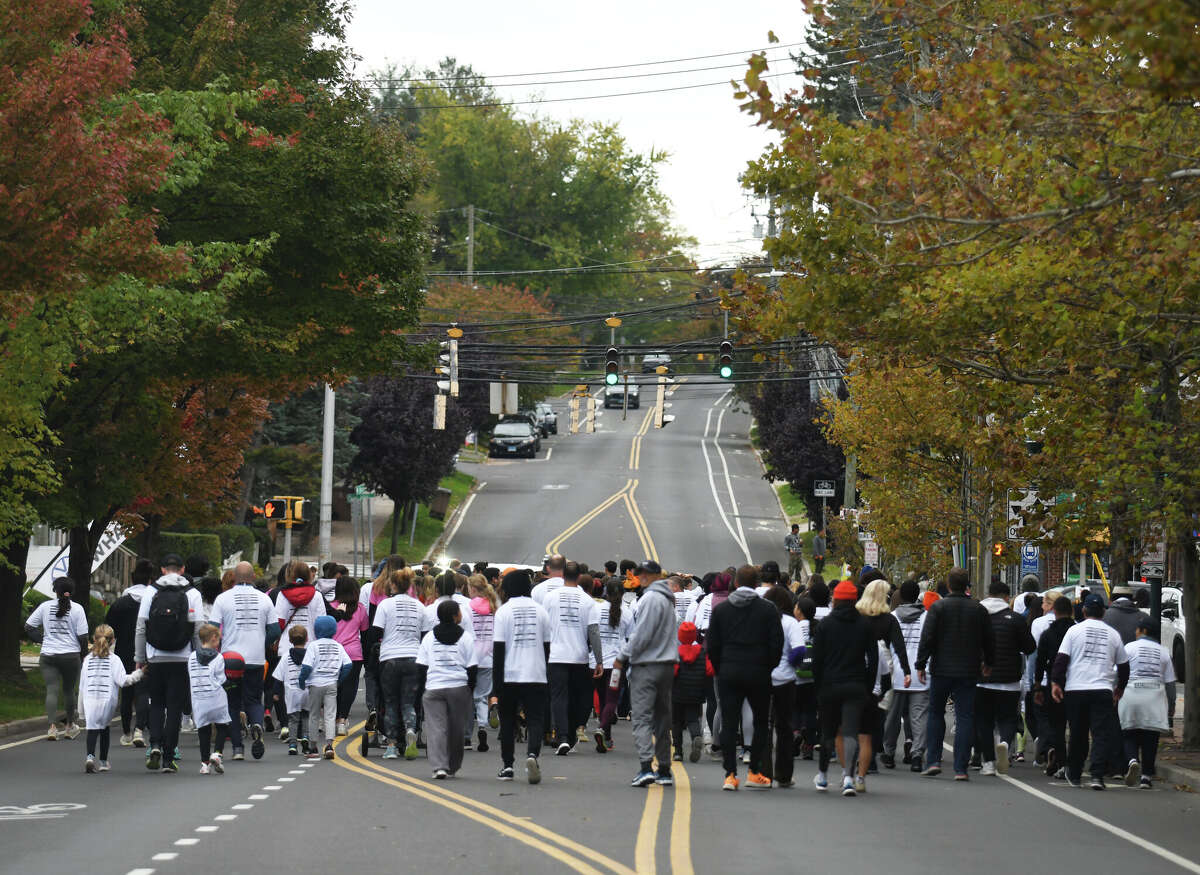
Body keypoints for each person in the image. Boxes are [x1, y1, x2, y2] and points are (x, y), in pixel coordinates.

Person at [706, 564, 784, 791]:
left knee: (729, 722)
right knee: (761, 722)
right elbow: (776, 643)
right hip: (759, 671)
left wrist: (721, 668)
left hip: (729, 670)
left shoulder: (721, 610)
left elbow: (713, 644)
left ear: (736, 583)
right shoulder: (768, 609)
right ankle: (754, 770)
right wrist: (769, 665)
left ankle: (730, 774)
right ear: (756, 583)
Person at [915, 567, 995, 780]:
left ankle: (933, 759)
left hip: (941, 667)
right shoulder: (978, 609)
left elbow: (928, 637)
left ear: (949, 585)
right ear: (966, 585)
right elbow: (989, 639)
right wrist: (989, 662)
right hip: (968, 669)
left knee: (935, 712)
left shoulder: (938, 607)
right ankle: (961, 767)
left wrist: (920, 663)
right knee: (965, 716)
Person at [1051, 593, 1130, 790]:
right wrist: (1120, 688)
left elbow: (1061, 660)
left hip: (1076, 688)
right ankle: (1096, 775)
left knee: (1078, 732)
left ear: (1083, 610)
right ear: (1103, 612)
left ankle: (1075, 773)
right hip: (1102, 689)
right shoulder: (1113, 634)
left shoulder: (1074, 631)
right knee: (1100, 733)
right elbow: (1124, 666)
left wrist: (1056, 683)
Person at [615, 560, 679, 789]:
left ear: (654, 575)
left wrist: (623, 656)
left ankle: (645, 767)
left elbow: (642, 634)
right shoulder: (667, 598)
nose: (640, 577)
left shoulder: (651, 598)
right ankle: (664, 769)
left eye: (644, 573)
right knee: (662, 719)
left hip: (647, 664)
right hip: (666, 664)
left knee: (642, 718)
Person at [136, 556, 203, 773]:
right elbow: (197, 630)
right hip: (181, 657)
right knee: (174, 707)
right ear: (182, 570)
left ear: (163, 570)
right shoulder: (192, 594)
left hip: (155, 656)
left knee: (157, 703)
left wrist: (140, 658)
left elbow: (141, 628)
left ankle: (154, 744)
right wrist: (198, 657)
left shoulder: (150, 592)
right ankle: (168, 756)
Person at [811, 579, 878, 796]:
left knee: (828, 732)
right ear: (854, 600)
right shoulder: (864, 625)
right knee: (850, 732)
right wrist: (867, 685)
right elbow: (873, 659)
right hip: (856, 684)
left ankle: (822, 776)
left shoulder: (825, 625)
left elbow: (817, 659)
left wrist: (818, 685)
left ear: (836, 600)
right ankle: (849, 777)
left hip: (829, 684)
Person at [210, 560, 279, 760]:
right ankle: (256, 724)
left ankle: (238, 749)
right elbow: (275, 630)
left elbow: (213, 628)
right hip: (256, 659)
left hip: (230, 659)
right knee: (254, 699)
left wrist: (220, 647)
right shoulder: (264, 599)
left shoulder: (223, 599)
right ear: (253, 577)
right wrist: (262, 644)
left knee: (232, 703)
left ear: (234, 577)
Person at [491, 569, 552, 784]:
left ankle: (507, 766)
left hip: (510, 674)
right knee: (536, 719)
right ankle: (533, 755)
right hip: (536, 673)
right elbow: (547, 648)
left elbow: (499, 650)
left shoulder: (503, 612)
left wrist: (496, 684)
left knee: (508, 721)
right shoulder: (541, 611)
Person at [853, 577, 910, 789]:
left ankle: (856, 755)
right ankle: (872, 757)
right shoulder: (888, 619)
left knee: (857, 712)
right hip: (883, 669)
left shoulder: (857, 616)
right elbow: (899, 646)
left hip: (859, 665)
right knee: (878, 714)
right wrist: (906, 669)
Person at [975, 581, 1035, 776]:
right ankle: (1004, 743)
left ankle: (989, 763)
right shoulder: (1016, 619)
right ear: (1006, 597)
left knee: (984, 721)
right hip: (1010, 680)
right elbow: (1030, 647)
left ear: (988, 594)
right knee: (1008, 718)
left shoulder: (976, 614)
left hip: (981, 678)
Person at [545, 561, 603, 755]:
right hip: (579, 656)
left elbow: (543, 627)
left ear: (562, 576)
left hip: (556, 655)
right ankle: (570, 734)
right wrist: (599, 659)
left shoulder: (550, 598)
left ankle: (561, 736)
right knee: (578, 696)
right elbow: (593, 631)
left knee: (559, 697)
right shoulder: (587, 601)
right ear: (579, 577)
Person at [374, 568, 431, 760]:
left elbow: (376, 632)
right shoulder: (420, 607)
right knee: (409, 702)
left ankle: (390, 744)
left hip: (390, 657)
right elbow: (425, 635)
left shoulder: (385, 605)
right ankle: (410, 729)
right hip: (414, 658)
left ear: (393, 585)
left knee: (390, 701)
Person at [418, 600, 478, 779]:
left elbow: (421, 665)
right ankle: (453, 765)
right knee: (456, 728)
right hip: (458, 687)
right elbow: (472, 667)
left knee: (436, 728)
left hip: (434, 687)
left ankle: (439, 766)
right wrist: (470, 689)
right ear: (454, 616)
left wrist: (424, 687)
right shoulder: (465, 637)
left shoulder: (429, 637)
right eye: (459, 612)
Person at [25, 577, 89, 740]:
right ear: (72, 592)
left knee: (51, 690)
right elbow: (83, 636)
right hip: (70, 655)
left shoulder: (45, 607)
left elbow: (29, 627)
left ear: (55, 591)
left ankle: (52, 728)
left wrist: (42, 640)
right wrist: (83, 655)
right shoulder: (78, 609)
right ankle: (69, 726)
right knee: (68, 691)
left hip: (48, 655)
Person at [1119, 616, 1175, 789]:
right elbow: (1170, 684)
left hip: (1131, 693)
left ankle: (1132, 760)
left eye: (1137, 629)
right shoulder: (1164, 652)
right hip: (1154, 695)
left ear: (1142, 631)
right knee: (1151, 737)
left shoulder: (1129, 648)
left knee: (1129, 732)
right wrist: (1171, 707)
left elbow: (1118, 673)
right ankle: (1146, 777)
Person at [105, 559, 154, 747]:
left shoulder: (120, 603)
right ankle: (139, 730)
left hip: (123, 651)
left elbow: (110, 628)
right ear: (150, 580)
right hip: (147, 651)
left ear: (132, 580)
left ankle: (126, 731)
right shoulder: (153, 601)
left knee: (126, 692)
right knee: (143, 691)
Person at [80, 624, 142, 772]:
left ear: (94, 639)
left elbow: (82, 684)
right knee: (104, 729)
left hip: (89, 698)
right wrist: (138, 673)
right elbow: (123, 681)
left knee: (92, 728)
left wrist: (81, 709)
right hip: (107, 699)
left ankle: (89, 756)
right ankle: (103, 761)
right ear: (113, 640)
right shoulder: (115, 660)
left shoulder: (88, 660)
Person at [883, 579, 929, 773]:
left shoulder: (892, 617)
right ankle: (917, 755)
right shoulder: (927, 617)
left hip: (897, 674)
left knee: (892, 718)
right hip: (921, 673)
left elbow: (885, 646)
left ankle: (889, 753)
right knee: (919, 718)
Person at [764, 585, 805, 787]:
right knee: (785, 728)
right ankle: (784, 774)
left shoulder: (759, 621)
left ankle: (763, 772)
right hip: (786, 680)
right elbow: (799, 651)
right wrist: (790, 663)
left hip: (763, 679)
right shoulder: (790, 623)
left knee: (763, 725)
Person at [299, 615, 352, 760]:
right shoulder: (338, 646)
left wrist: (301, 680)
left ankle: (313, 746)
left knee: (314, 715)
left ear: (316, 629)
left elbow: (306, 667)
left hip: (315, 683)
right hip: (332, 683)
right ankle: (329, 746)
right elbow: (348, 665)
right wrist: (339, 679)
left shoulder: (313, 646)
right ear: (334, 630)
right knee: (330, 715)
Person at [1033, 596, 1075, 777]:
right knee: (1076, 727)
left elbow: (1039, 661)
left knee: (1057, 726)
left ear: (1054, 612)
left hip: (1054, 684)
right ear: (1071, 611)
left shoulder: (1048, 634)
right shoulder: (1076, 630)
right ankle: (1073, 763)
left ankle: (1061, 761)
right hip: (1075, 683)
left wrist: (1037, 686)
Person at [593, 577, 633, 752]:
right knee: (612, 700)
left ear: (605, 592)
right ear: (623, 593)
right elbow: (632, 638)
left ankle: (606, 735)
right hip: (617, 663)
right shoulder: (627, 612)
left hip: (596, 662)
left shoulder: (596, 609)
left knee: (602, 699)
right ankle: (603, 730)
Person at [189, 623, 232, 775]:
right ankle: (217, 753)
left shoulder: (192, 656)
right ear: (214, 638)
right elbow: (220, 678)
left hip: (198, 698)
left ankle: (204, 765)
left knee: (203, 731)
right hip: (215, 697)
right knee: (222, 726)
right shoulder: (218, 657)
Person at [329, 576, 367, 736]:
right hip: (353, 653)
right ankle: (342, 720)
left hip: (333, 653)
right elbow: (364, 632)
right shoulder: (360, 609)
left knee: (333, 687)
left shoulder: (330, 607)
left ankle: (332, 718)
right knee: (349, 687)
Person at [671, 621, 712, 764]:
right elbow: (709, 670)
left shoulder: (676, 652)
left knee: (676, 722)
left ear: (680, 636)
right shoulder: (702, 651)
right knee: (693, 719)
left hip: (677, 693)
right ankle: (696, 736)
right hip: (696, 692)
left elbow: (673, 672)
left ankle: (678, 752)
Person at [467, 575, 498, 752]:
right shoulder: (494, 607)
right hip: (488, 657)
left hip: (471, 655)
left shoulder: (468, 607)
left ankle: (467, 733)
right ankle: (482, 726)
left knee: (469, 696)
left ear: (472, 589)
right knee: (483, 696)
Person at [274, 626, 310, 755]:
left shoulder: (285, 657)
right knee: (306, 716)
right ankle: (306, 737)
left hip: (292, 692)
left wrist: (276, 693)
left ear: (290, 640)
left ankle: (293, 745)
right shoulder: (310, 655)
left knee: (293, 719)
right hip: (306, 690)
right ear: (307, 639)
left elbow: (279, 677)